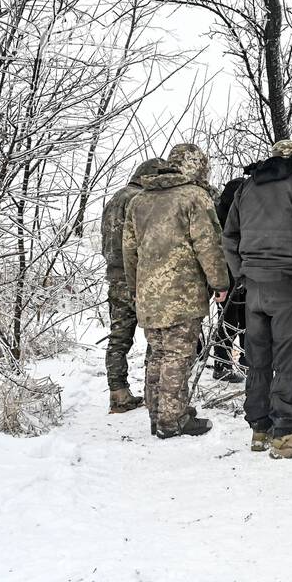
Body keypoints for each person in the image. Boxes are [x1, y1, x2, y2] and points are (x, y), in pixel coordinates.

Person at [223, 139, 292, 458]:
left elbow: (229, 236)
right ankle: (286, 432)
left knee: (258, 359)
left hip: (255, 285)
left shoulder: (247, 187)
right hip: (291, 284)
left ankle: (260, 428)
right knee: (291, 358)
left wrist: (242, 273)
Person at [122, 143, 229, 438]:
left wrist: (136, 290)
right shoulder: (194, 197)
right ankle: (173, 420)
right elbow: (209, 245)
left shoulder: (138, 201)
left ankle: (159, 413)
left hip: (148, 294)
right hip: (183, 293)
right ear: (198, 168)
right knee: (178, 356)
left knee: (157, 353)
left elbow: (129, 252)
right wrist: (219, 283)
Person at [99, 157, 165, 414]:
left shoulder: (114, 198)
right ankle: (154, 391)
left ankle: (118, 393)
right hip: (139, 277)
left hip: (115, 277)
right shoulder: (140, 201)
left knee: (119, 337)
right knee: (155, 335)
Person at [209, 170, 250, 383]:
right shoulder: (223, 216)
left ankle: (246, 360)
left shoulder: (237, 214)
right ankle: (222, 365)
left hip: (240, 273)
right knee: (229, 319)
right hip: (228, 275)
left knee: (245, 319)